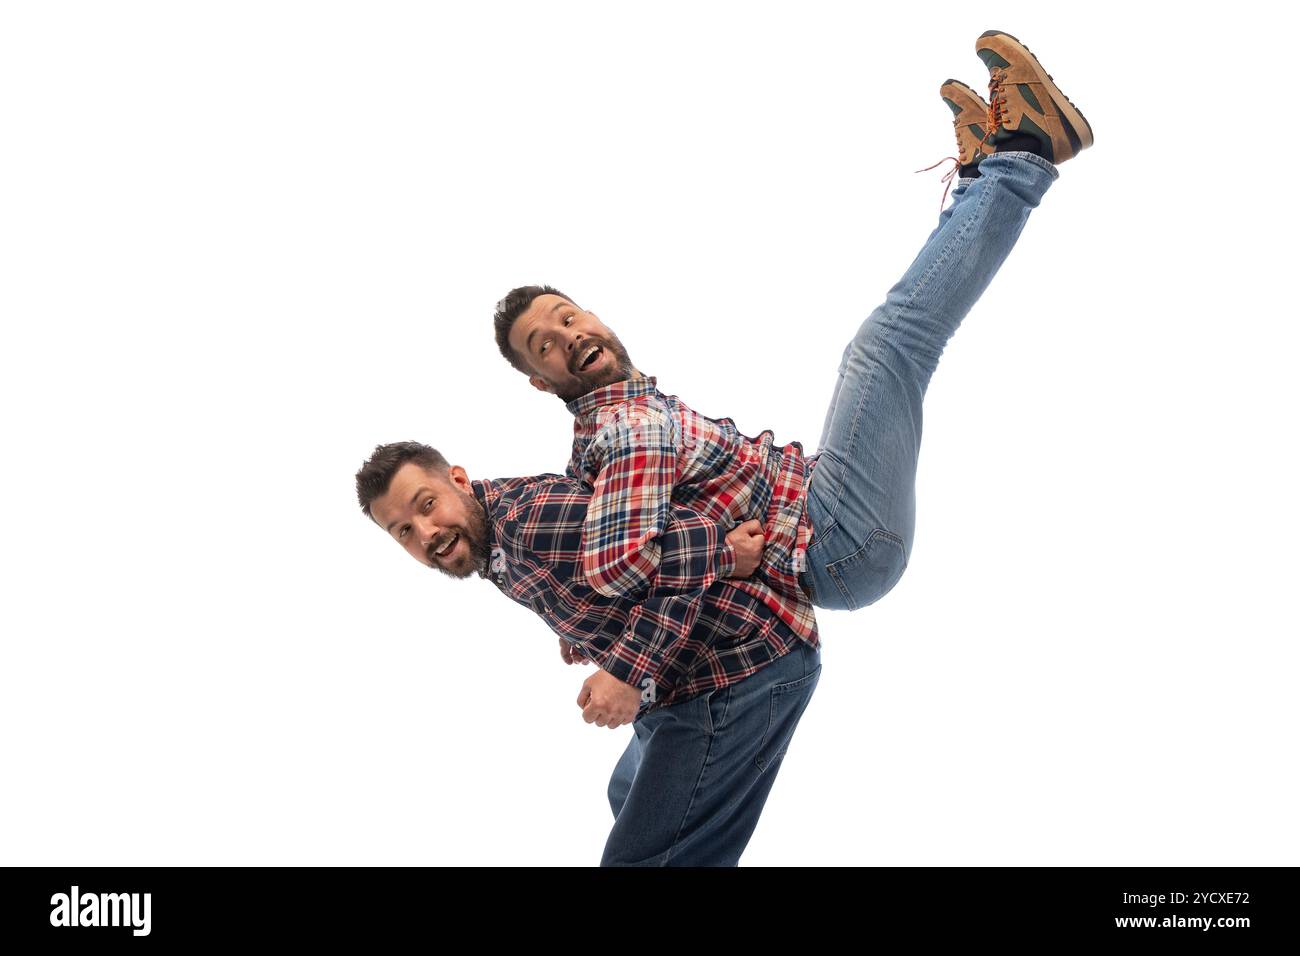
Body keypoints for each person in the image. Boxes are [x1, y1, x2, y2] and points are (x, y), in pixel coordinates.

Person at [490, 30, 1092, 613]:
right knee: (886, 347)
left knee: (886, 347)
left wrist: (582, 623)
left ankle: (981, 181)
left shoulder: (615, 429)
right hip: (837, 541)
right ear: (540, 382)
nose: (570, 337)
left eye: (568, 318)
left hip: (822, 504)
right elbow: (612, 566)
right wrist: (720, 556)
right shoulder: (622, 429)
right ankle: (1023, 156)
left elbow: (583, 540)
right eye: (545, 345)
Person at [354, 441, 821, 866]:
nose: (426, 532)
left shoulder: (529, 522)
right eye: (403, 532)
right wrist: (587, 621)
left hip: (741, 665)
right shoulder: (489, 538)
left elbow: (686, 538)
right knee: (627, 792)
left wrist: (625, 672)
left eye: (427, 505)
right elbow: (600, 560)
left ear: (457, 480)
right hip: (680, 679)